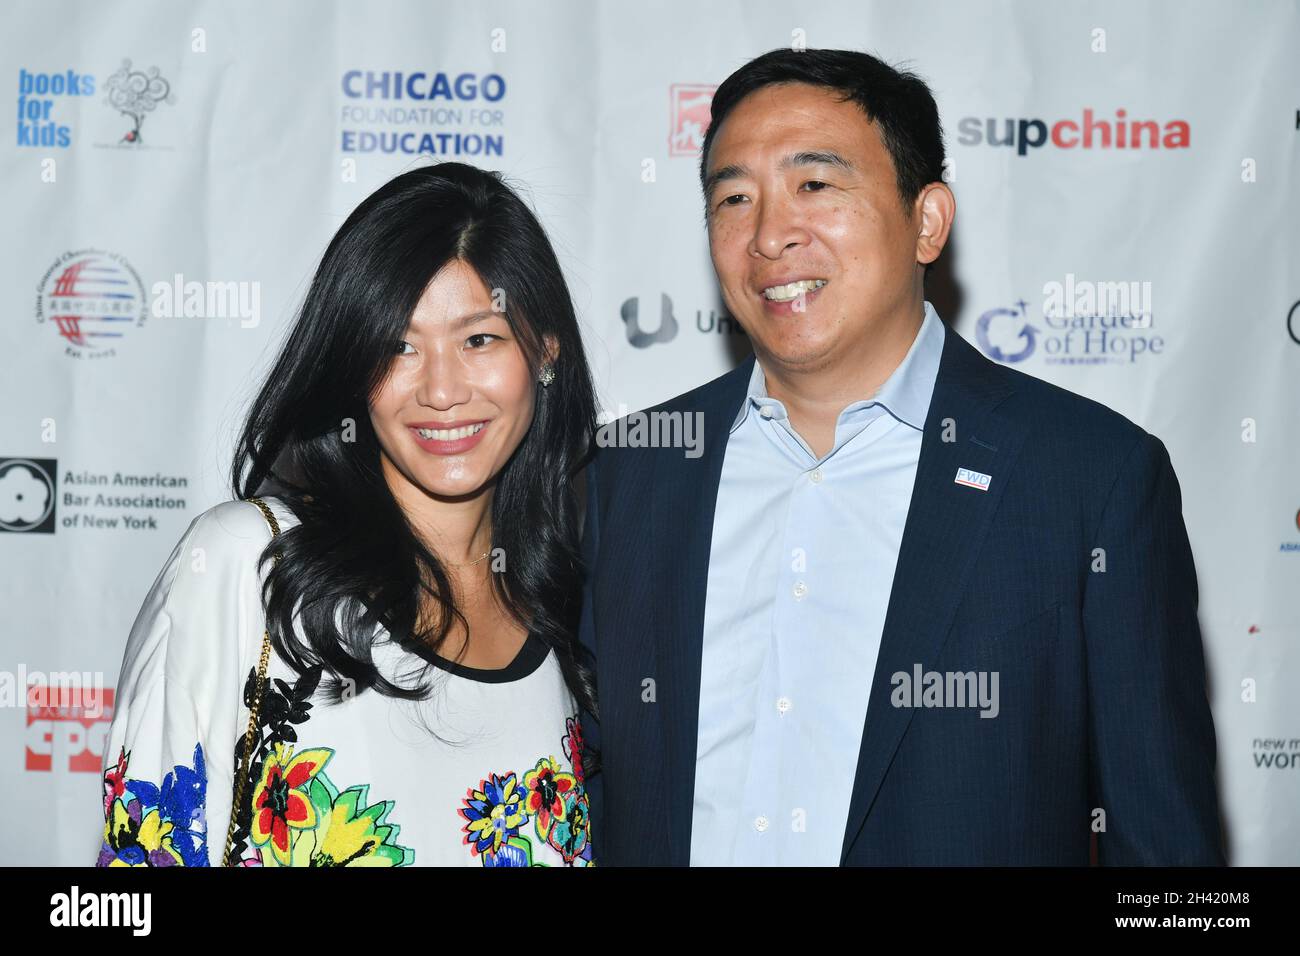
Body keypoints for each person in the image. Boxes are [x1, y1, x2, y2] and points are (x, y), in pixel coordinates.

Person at [577, 48, 1225, 865]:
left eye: (815, 185)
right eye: (735, 198)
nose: (772, 235)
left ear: (927, 221)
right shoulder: (628, 477)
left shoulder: (1089, 480)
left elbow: (1168, 858)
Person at [96, 162, 598, 867]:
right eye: (398, 346)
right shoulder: (250, 567)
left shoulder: (574, 613)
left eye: (479, 339)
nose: (443, 390)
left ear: (544, 353)